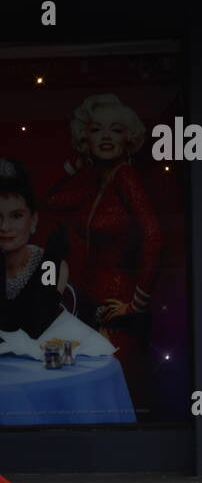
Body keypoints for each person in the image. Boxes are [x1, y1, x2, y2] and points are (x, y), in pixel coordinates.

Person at [42, 94, 161, 397]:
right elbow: (45, 199)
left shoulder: (127, 178)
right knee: (60, 377)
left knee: (108, 390)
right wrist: (73, 165)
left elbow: (153, 235)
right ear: (85, 137)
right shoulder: (97, 182)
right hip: (81, 306)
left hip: (113, 312)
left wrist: (137, 303)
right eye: (97, 130)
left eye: (116, 130)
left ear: (128, 138)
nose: (106, 137)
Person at [0, 159, 69, 338]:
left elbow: (36, 324)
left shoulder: (52, 265)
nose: (5, 226)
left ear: (33, 221)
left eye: (16, 216)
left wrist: (51, 259)